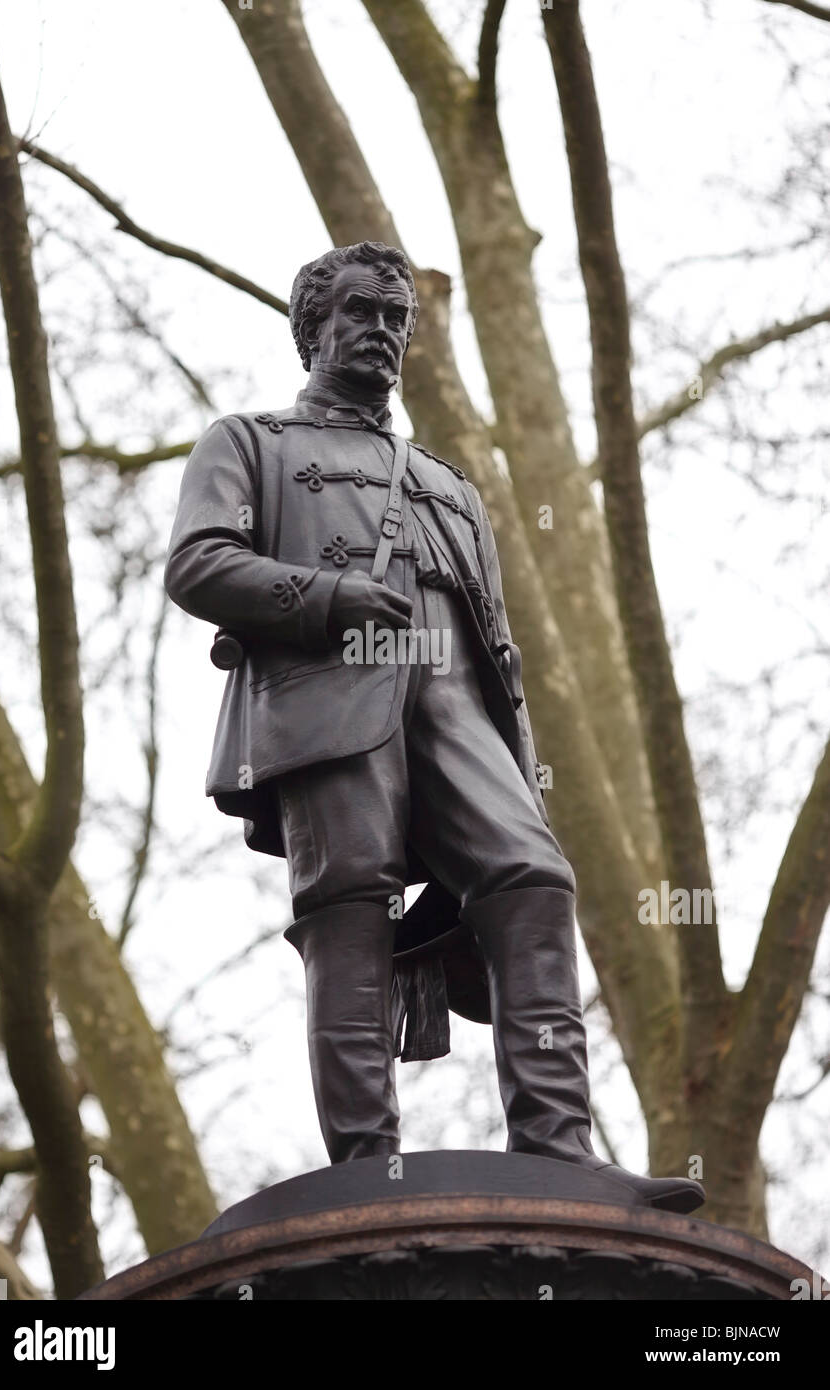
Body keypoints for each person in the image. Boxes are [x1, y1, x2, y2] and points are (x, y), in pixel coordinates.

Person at [164, 241, 705, 1213]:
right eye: (362, 314)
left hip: (457, 711)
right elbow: (198, 564)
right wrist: (325, 595)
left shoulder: (452, 486)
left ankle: (555, 1142)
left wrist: (522, 763)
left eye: (395, 320)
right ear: (313, 328)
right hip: (332, 704)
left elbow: (501, 655)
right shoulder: (252, 443)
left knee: (532, 876)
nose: (381, 332)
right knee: (349, 908)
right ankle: (366, 1165)